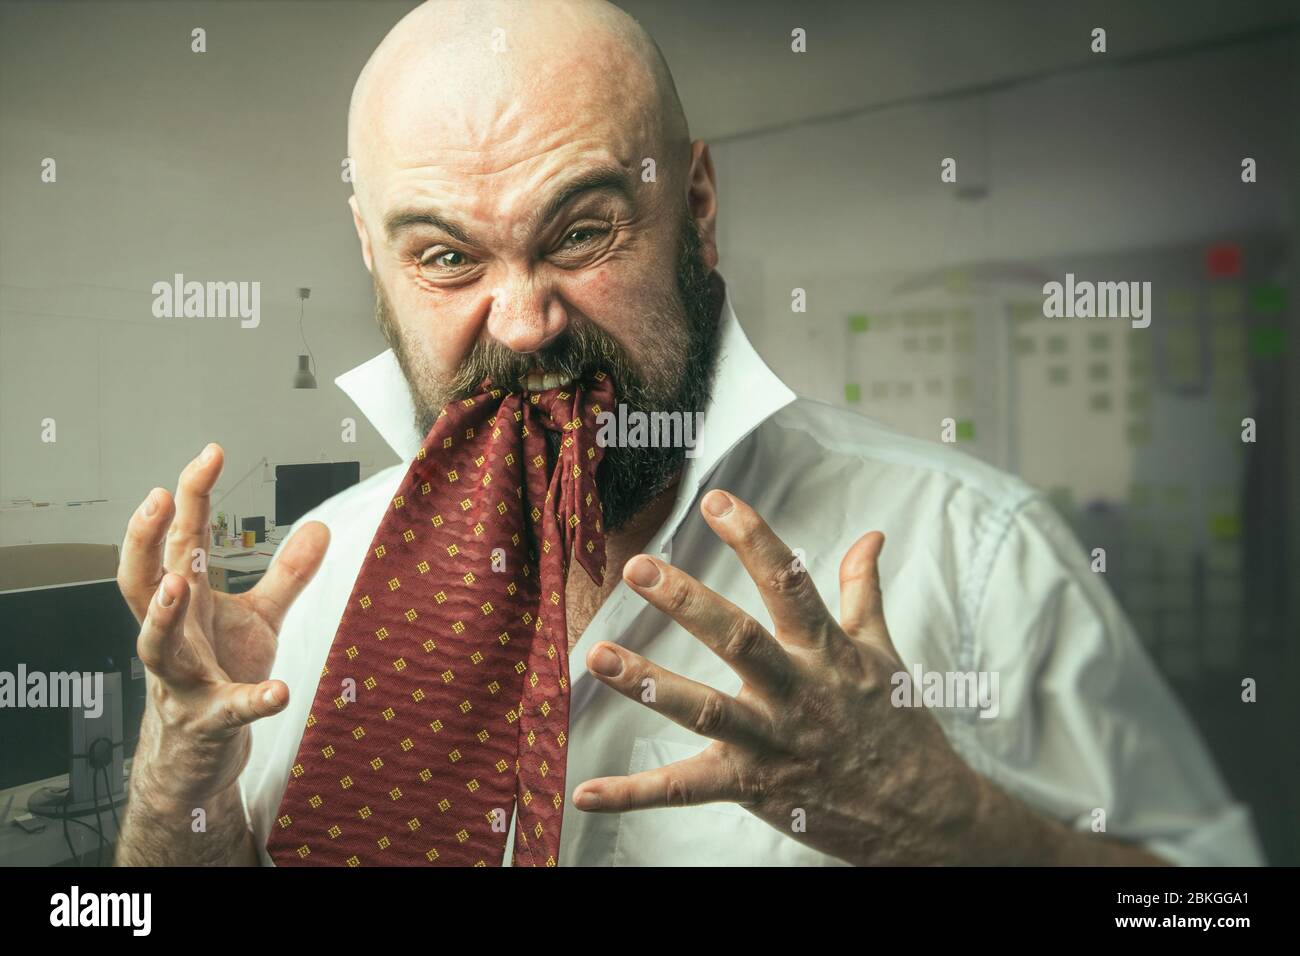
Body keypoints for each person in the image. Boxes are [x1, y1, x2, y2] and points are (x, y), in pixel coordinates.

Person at [114, 0, 1260, 866]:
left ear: (696, 206)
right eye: (447, 256)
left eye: (581, 233)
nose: (521, 324)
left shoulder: (972, 549)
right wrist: (178, 782)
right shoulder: (306, 587)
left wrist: (951, 821)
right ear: (375, 259)